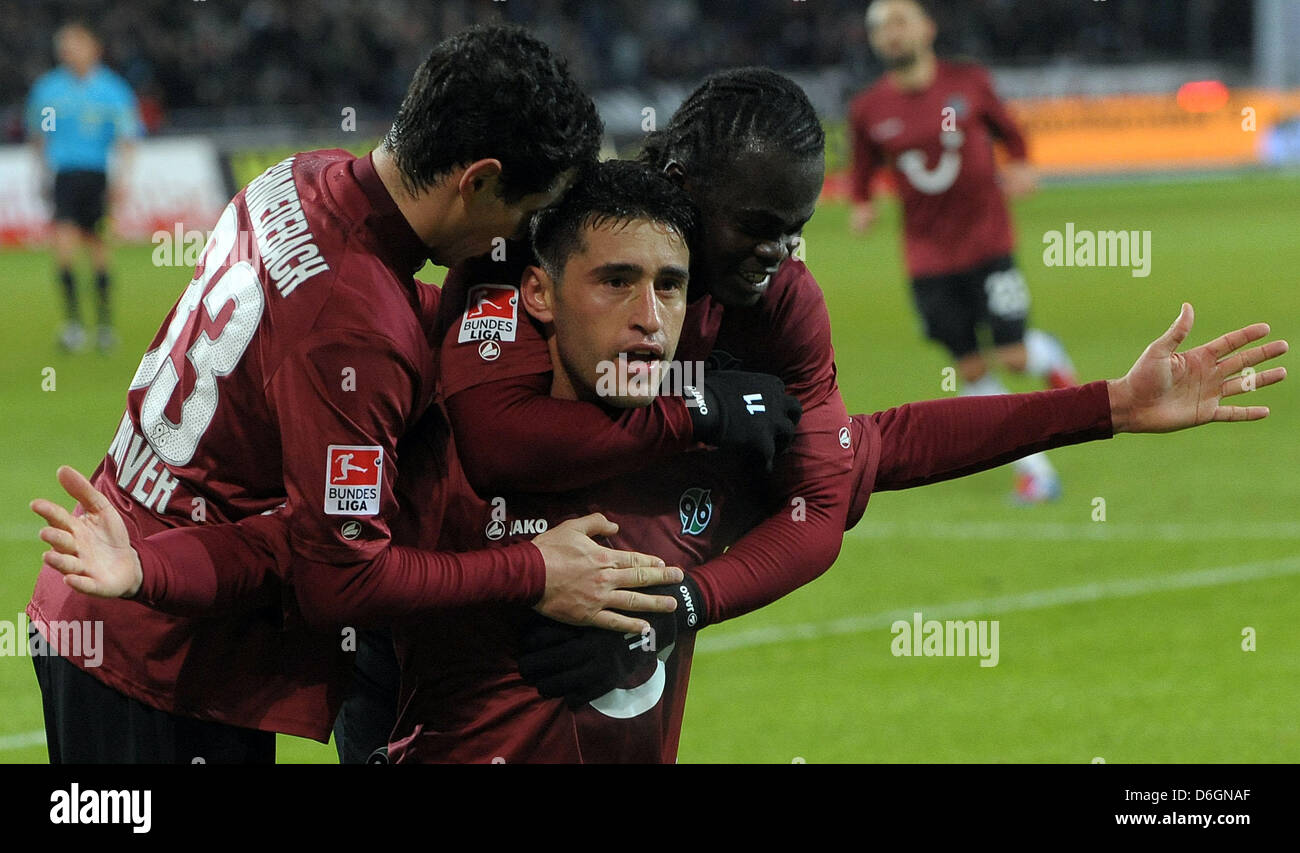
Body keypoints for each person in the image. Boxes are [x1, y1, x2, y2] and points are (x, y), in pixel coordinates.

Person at [26, 25, 685, 765]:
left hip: (116, 595)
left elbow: (359, 324)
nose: (519, 239)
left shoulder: (304, 174)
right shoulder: (357, 330)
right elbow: (344, 575)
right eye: (526, 212)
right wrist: (535, 569)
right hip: (156, 658)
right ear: (476, 180)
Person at [391, 159, 769, 762]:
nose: (649, 316)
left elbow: (877, 453)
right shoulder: (438, 438)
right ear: (538, 292)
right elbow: (334, 574)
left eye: (669, 286)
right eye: (616, 281)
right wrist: (528, 576)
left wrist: (687, 604)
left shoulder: (708, 449)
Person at [848, 0, 1077, 503]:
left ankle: (1046, 352)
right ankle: (1037, 473)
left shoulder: (968, 82)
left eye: (900, 21)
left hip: (988, 243)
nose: (892, 33)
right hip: (927, 259)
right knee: (971, 367)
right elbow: (862, 169)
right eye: (881, 27)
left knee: (1014, 356)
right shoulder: (868, 108)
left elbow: (1012, 134)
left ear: (927, 28)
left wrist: (1020, 164)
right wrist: (862, 204)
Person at [26, 22, 141, 353]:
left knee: (100, 250)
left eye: (75, 45)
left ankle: (104, 325)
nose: (69, 52)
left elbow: (126, 138)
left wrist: (122, 181)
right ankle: (74, 324)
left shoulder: (111, 90)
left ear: (93, 48)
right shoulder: (49, 90)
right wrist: (41, 173)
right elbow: (40, 134)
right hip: (64, 177)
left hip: (97, 178)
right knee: (63, 250)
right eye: (64, 47)